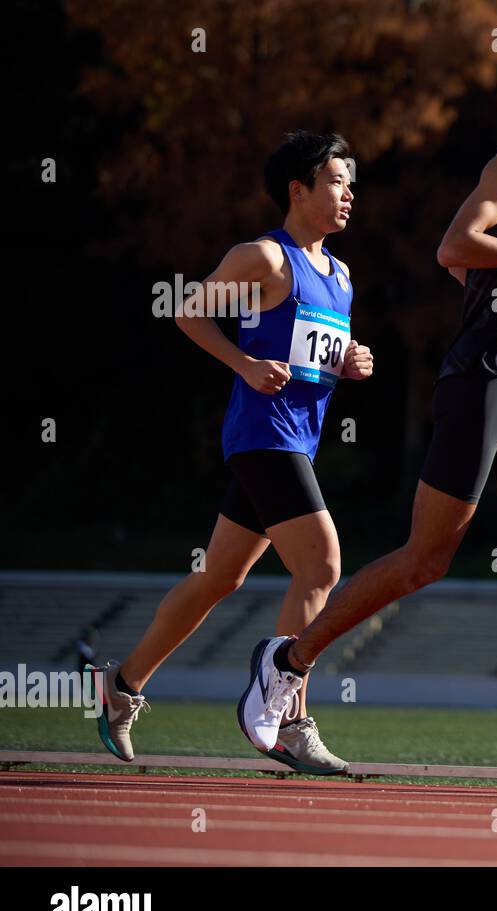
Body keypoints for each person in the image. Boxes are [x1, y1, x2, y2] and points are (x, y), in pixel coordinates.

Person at [236, 42, 497, 792]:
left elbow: (471, 267)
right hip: (483, 382)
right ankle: (288, 658)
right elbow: (451, 244)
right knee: (426, 559)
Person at [94, 131, 373, 775]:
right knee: (322, 565)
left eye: (350, 182)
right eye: (335, 181)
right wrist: (245, 364)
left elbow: (320, 357)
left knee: (220, 578)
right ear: (297, 190)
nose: (348, 193)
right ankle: (287, 713)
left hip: (299, 440)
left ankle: (122, 686)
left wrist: (351, 362)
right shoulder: (264, 259)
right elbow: (190, 312)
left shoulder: (342, 275)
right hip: (262, 437)